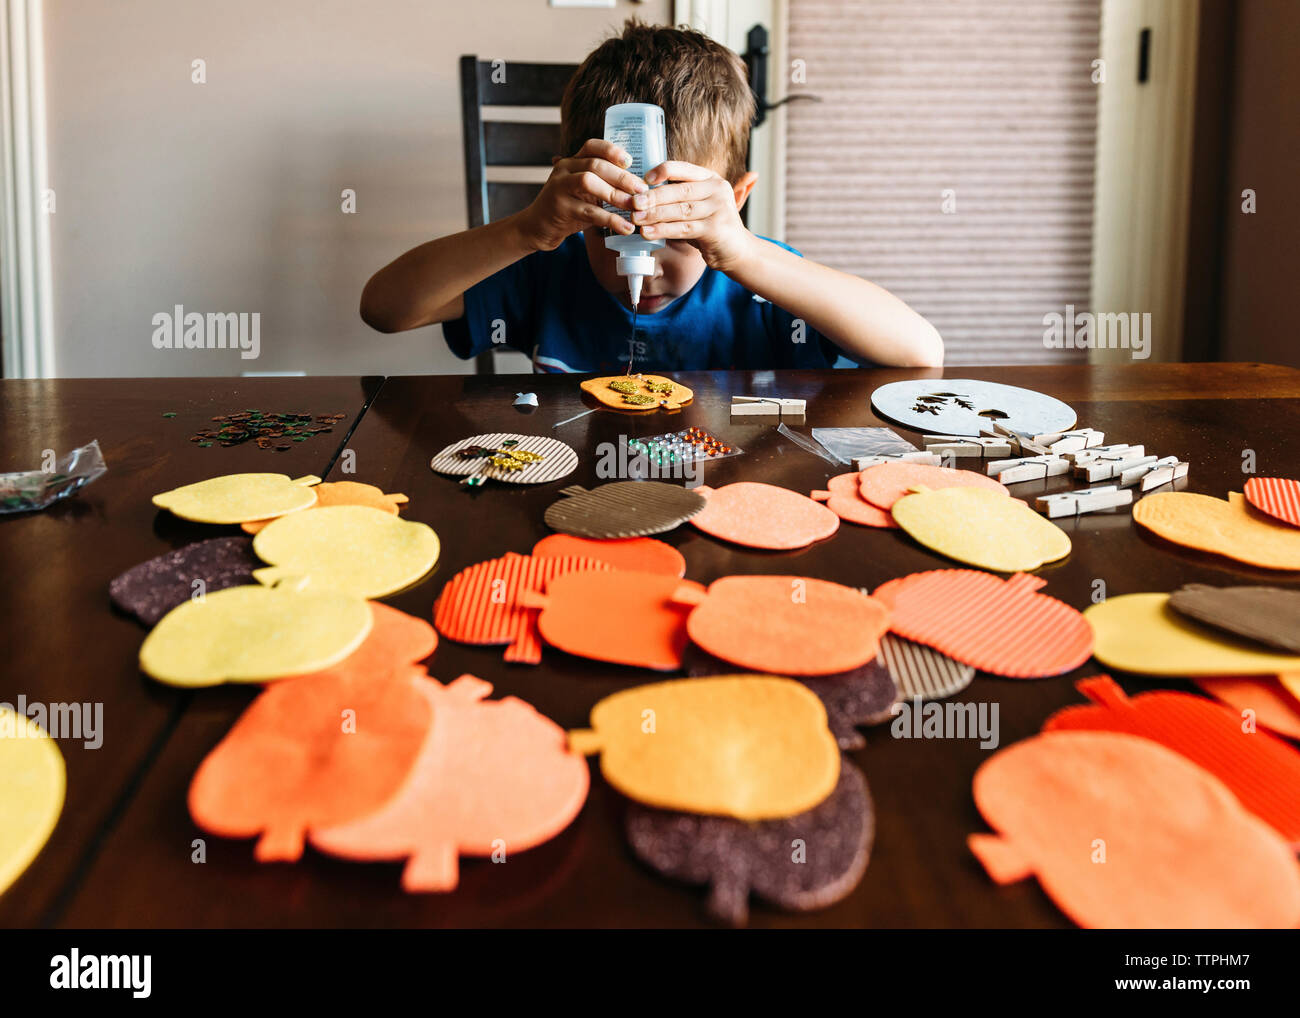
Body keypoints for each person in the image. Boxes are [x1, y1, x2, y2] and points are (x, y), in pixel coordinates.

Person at [360, 20, 943, 373]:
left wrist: (745, 255)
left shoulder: (759, 287)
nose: (645, 265)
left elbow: (921, 352)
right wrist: (525, 231)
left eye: (676, 233)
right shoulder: (543, 266)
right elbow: (384, 309)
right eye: (608, 229)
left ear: (733, 201)